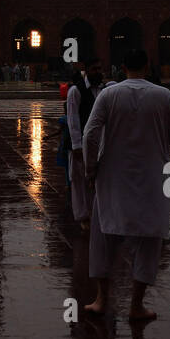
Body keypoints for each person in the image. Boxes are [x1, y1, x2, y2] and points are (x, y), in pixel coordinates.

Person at [82, 48, 170, 322]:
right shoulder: (163, 96)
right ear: (148, 66)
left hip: (112, 175)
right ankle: (136, 305)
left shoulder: (108, 94)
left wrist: (91, 168)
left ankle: (102, 300)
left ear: (122, 67)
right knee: (149, 240)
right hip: (152, 177)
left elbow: (90, 133)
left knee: (104, 237)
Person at [65, 70, 90, 230]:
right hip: (80, 143)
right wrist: (76, 145)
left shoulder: (102, 90)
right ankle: (83, 216)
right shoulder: (76, 91)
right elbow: (72, 118)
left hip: (93, 142)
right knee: (79, 179)